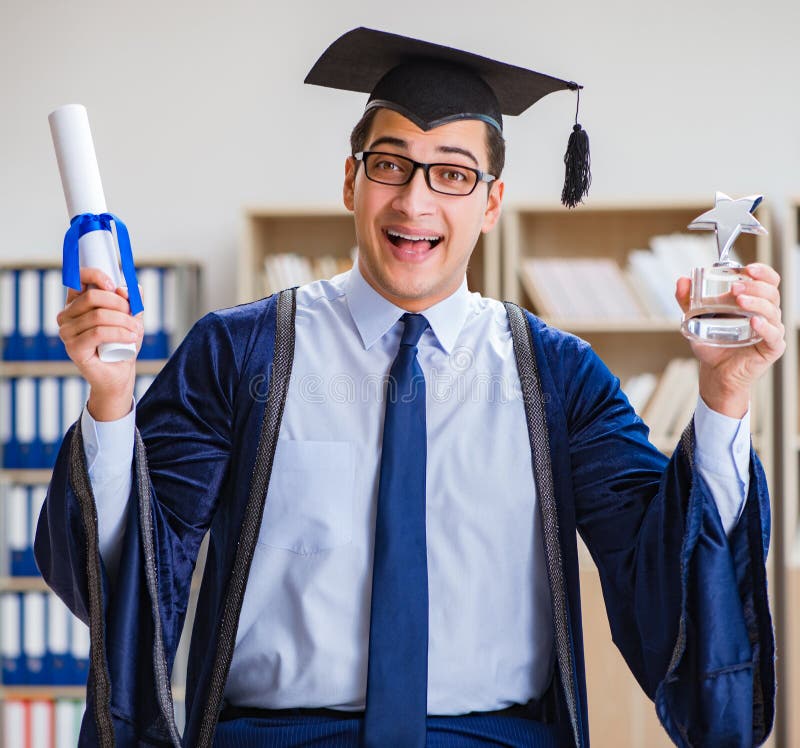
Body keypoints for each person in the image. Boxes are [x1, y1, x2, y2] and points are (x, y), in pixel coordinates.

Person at [35, 27, 781, 748]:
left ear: (490, 203)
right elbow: (128, 576)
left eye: (453, 175)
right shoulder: (240, 354)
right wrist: (111, 399)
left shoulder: (558, 377)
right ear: (351, 179)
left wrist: (723, 394)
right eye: (391, 165)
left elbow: (669, 571)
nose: (415, 203)